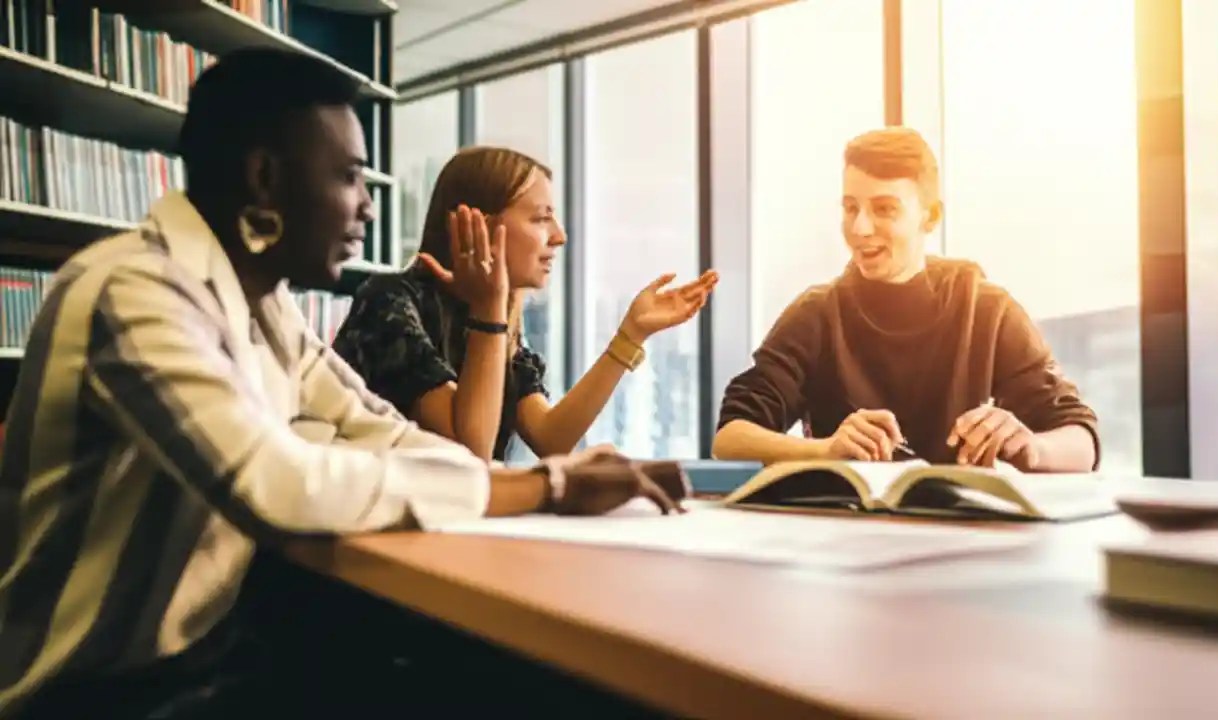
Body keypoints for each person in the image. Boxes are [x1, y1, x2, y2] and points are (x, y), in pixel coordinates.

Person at [0, 49, 682, 718]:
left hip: (209, 652)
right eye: (350, 177)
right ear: (265, 178)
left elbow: (375, 427)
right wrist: (547, 487)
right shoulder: (135, 291)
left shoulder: (262, 304)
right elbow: (274, 483)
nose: (367, 208)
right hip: (97, 692)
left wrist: (545, 486)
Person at [713, 127, 1099, 472]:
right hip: (844, 536)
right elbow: (729, 438)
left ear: (929, 217)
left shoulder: (988, 309)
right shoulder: (816, 314)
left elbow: (1082, 441)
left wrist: (1032, 447)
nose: (860, 228)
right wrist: (824, 450)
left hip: (966, 536)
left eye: (884, 209)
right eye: (851, 208)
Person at [332, 146, 718, 461]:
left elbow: (551, 438)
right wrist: (491, 309)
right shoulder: (389, 302)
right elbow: (470, 455)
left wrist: (630, 334)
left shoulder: (500, 320)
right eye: (540, 219)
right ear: (480, 227)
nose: (560, 237)